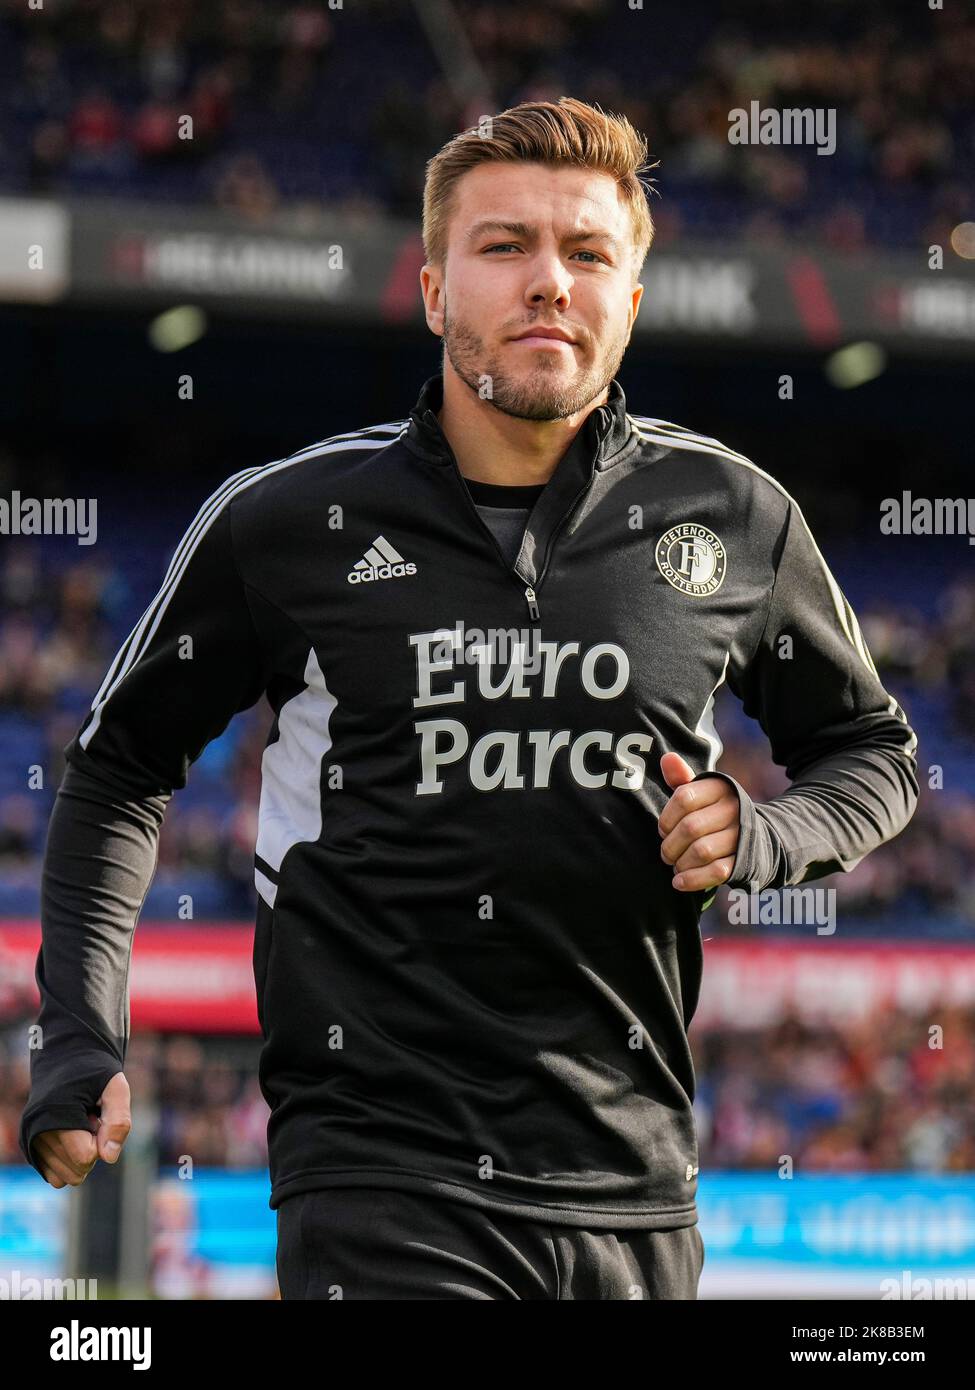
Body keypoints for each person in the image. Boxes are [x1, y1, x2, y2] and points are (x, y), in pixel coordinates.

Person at [19, 97, 918, 1300]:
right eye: (506, 247)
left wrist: (767, 834)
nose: (550, 281)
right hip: (379, 1173)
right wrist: (80, 1031)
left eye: (588, 253)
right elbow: (118, 768)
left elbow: (874, 752)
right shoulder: (285, 521)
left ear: (631, 306)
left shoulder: (735, 516)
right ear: (437, 291)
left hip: (638, 1190)